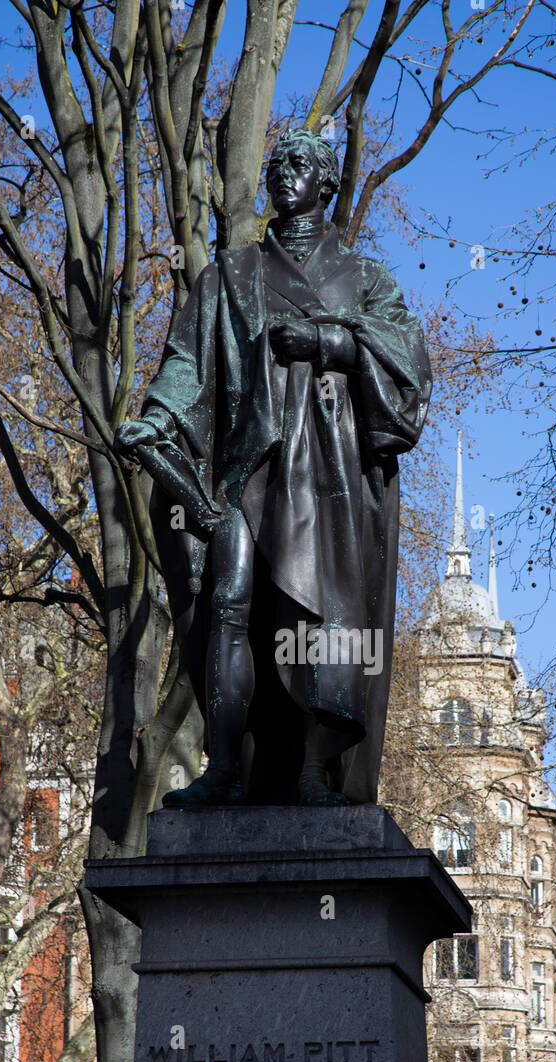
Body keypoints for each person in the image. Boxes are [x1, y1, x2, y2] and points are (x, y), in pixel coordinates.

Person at [115, 128, 431, 806]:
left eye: (300, 164)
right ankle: (226, 767)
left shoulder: (365, 278)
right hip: (247, 468)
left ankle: (316, 770)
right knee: (226, 602)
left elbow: (408, 364)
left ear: (327, 184)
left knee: (327, 621)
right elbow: (185, 362)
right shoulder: (231, 275)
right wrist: (160, 419)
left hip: (330, 478)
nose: (284, 173)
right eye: (277, 163)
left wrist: (328, 342)